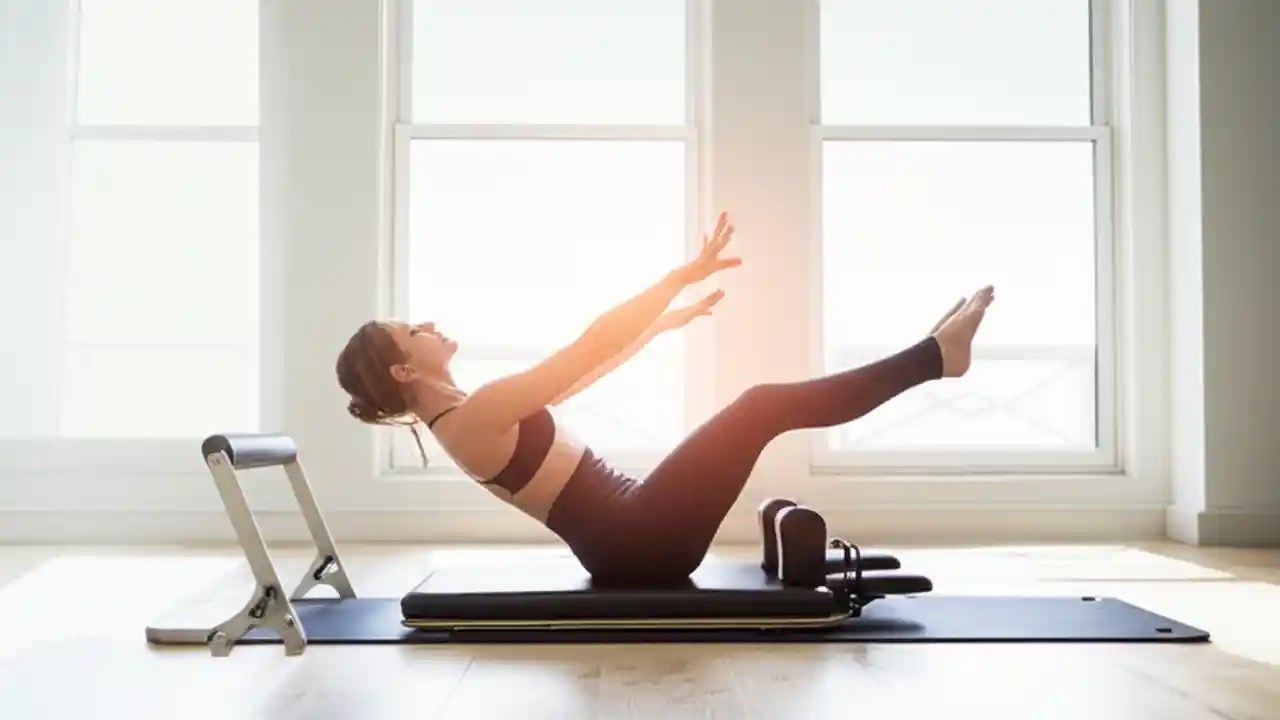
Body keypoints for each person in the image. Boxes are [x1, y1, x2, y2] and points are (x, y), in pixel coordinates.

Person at [335, 212, 995, 583]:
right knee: (761, 405)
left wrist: (662, 323)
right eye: (410, 330)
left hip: (633, 526)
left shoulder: (470, 411)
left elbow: (579, 374)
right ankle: (935, 359)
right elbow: (588, 345)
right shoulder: (470, 418)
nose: (425, 324)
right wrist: (676, 278)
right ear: (401, 372)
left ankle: (932, 356)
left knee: (759, 407)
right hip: (638, 542)